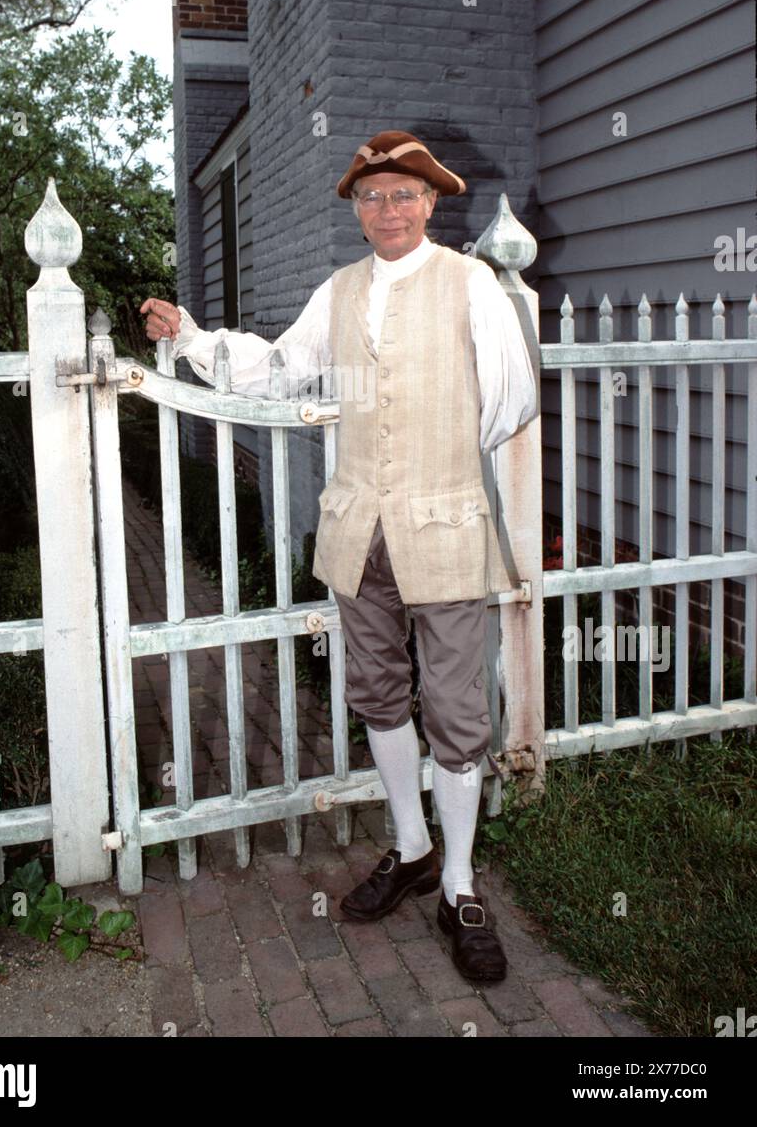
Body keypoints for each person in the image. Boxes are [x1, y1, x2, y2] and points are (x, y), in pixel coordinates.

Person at [141, 130, 536, 981]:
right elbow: (281, 370)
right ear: (356, 210)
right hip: (360, 530)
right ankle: (410, 846)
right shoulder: (341, 290)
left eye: (403, 194)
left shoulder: (473, 286)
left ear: (432, 203)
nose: (387, 209)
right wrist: (193, 339)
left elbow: (508, 402)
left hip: (446, 529)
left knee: (459, 711)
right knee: (377, 692)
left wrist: (434, 467)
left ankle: (460, 884)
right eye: (371, 196)